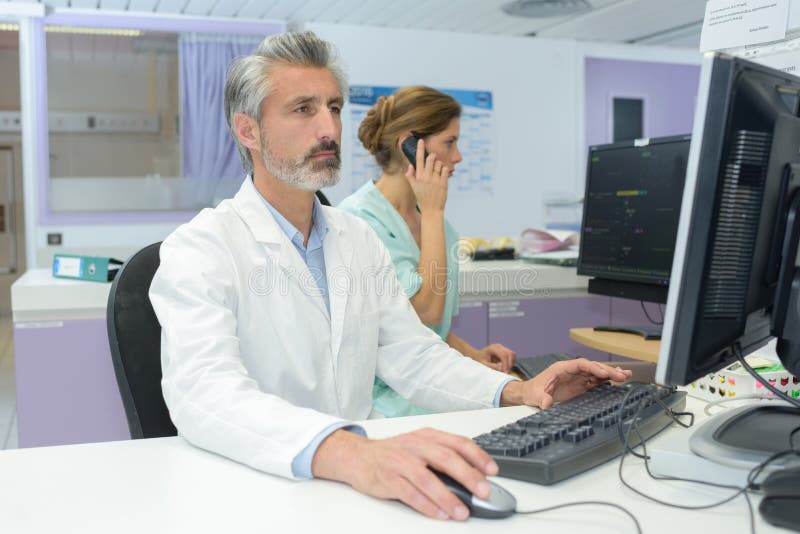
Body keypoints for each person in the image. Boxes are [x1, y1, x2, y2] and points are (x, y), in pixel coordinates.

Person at [149, 31, 631, 522]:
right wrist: (349, 452)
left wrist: (520, 391)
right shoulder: (201, 248)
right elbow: (204, 393)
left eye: (334, 108)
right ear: (248, 131)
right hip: (261, 491)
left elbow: (413, 355)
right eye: (303, 110)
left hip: (361, 484)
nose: (328, 129)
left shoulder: (356, 238)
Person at [339, 86, 516, 418]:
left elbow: (429, 333)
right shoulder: (360, 221)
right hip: (385, 405)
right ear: (410, 145)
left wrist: (473, 355)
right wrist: (433, 212)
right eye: (449, 142)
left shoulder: (439, 226)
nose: (459, 156)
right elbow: (426, 312)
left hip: (430, 388)